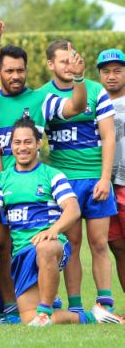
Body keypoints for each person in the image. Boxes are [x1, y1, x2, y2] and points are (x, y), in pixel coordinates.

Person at [0, 45, 88, 322]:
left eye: (20, 70)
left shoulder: (42, 99)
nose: (15, 75)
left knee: (33, 240)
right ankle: (10, 306)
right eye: (9, 70)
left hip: (32, 186)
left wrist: (78, 80)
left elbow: (76, 106)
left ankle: (51, 302)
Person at [0, 118, 122, 326]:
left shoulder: (52, 175)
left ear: (38, 144)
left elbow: (72, 208)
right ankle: (94, 317)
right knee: (29, 320)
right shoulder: (1, 180)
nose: (22, 147)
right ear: (11, 146)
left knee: (45, 248)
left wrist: (54, 229)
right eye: (17, 143)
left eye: (28, 142)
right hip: (21, 253)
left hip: (54, 247)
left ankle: (45, 309)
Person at [39, 40, 118, 315]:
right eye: (62, 61)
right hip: (64, 182)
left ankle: (104, 305)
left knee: (99, 243)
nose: (69, 65)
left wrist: (105, 177)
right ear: (50, 65)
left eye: (72, 59)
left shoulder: (96, 91)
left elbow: (109, 137)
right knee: (71, 245)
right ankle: (76, 308)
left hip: (95, 179)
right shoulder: (42, 96)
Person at [101, 49, 125, 295]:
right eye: (106, 71)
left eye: (117, 71)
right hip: (107, 185)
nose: (111, 76)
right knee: (117, 247)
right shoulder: (96, 104)